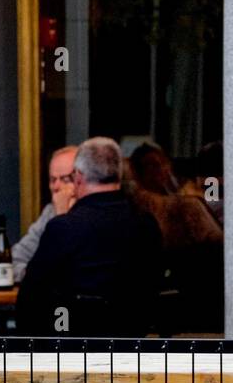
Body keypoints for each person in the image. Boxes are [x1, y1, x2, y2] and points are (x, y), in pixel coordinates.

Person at [16, 137, 163, 338]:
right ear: (119, 174)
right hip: (131, 344)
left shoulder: (64, 226)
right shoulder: (146, 224)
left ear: (78, 178)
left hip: (71, 348)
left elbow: (29, 301)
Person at [126, 141, 223, 331]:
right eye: (154, 165)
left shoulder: (182, 190)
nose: (162, 170)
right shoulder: (190, 198)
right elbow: (212, 207)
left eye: (162, 164)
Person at [11, 145, 78, 281]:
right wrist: (37, 276)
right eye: (53, 180)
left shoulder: (94, 214)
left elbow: (73, 268)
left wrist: (62, 216)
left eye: (65, 179)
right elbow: (13, 261)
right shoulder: (50, 212)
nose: (56, 186)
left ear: (81, 180)